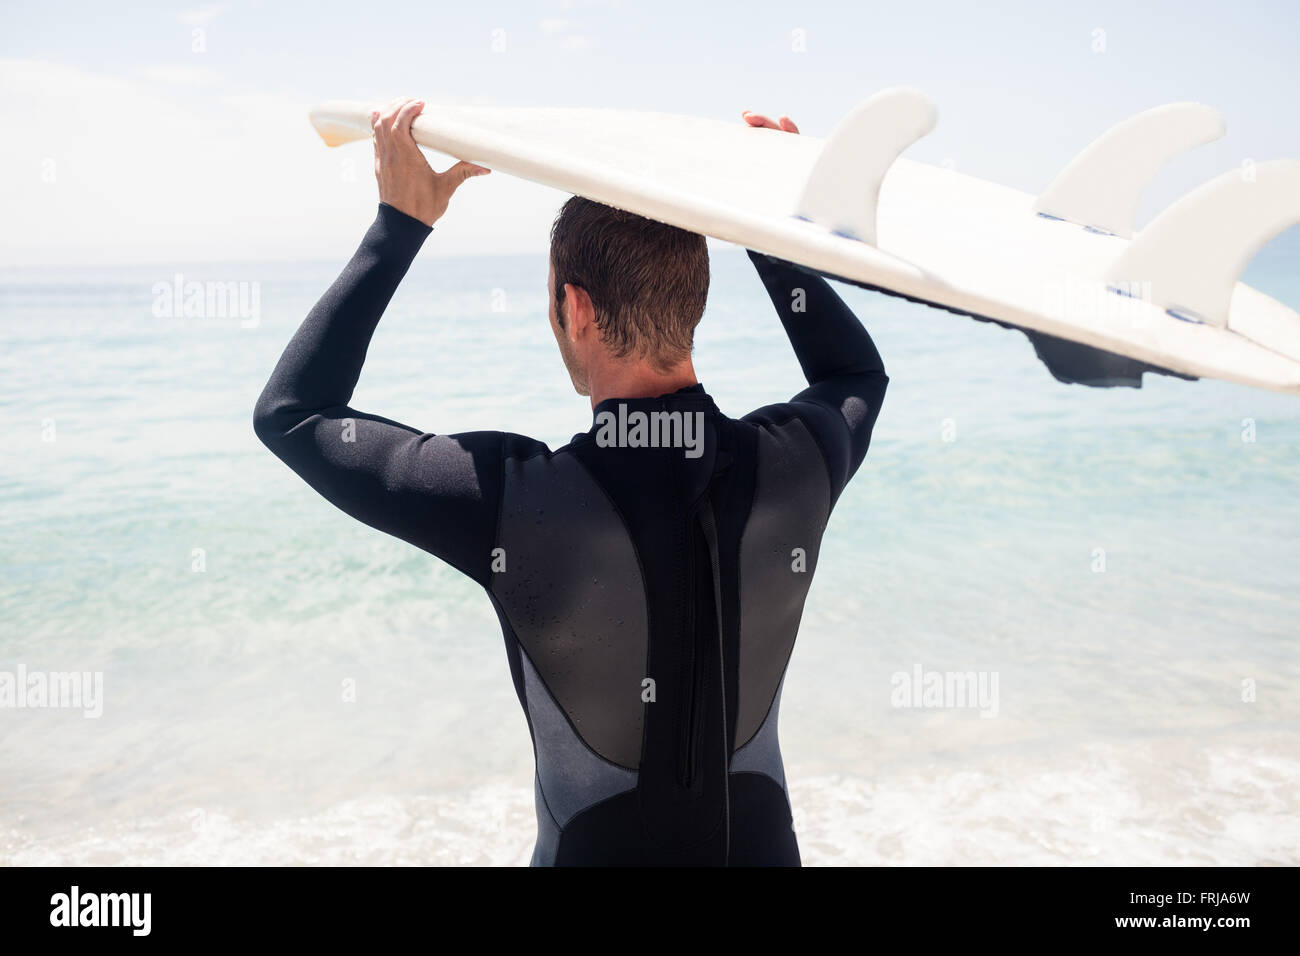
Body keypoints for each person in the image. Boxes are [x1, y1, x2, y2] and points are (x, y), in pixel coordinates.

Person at [253, 98, 888, 866]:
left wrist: (399, 225)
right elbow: (855, 371)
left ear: (576, 308)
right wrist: (772, 238)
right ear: (694, 302)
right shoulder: (798, 463)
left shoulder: (512, 503)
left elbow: (293, 413)